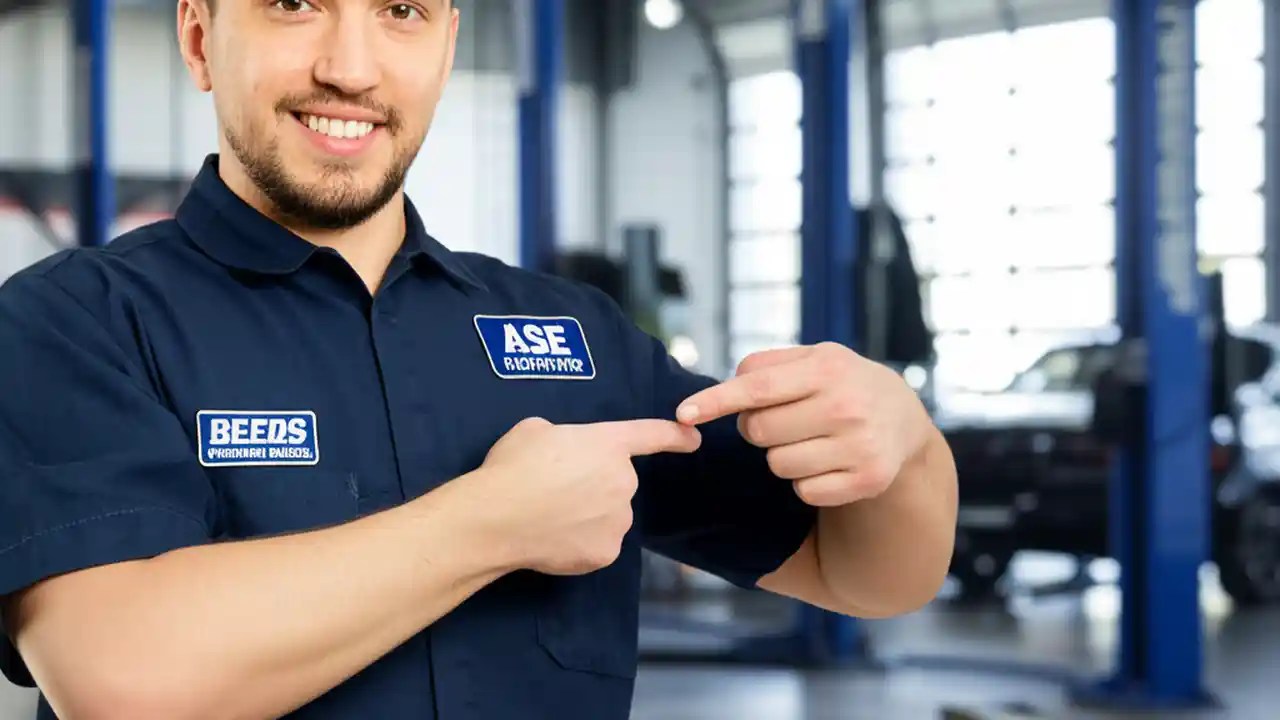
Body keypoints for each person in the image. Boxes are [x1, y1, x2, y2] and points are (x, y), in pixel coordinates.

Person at [0, 1, 958, 718]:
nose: (350, 67)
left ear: (448, 45)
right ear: (200, 37)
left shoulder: (574, 336)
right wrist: (492, 524)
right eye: (294, 3)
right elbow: (123, 680)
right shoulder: (75, 323)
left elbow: (863, 575)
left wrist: (907, 448)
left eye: (402, 12)